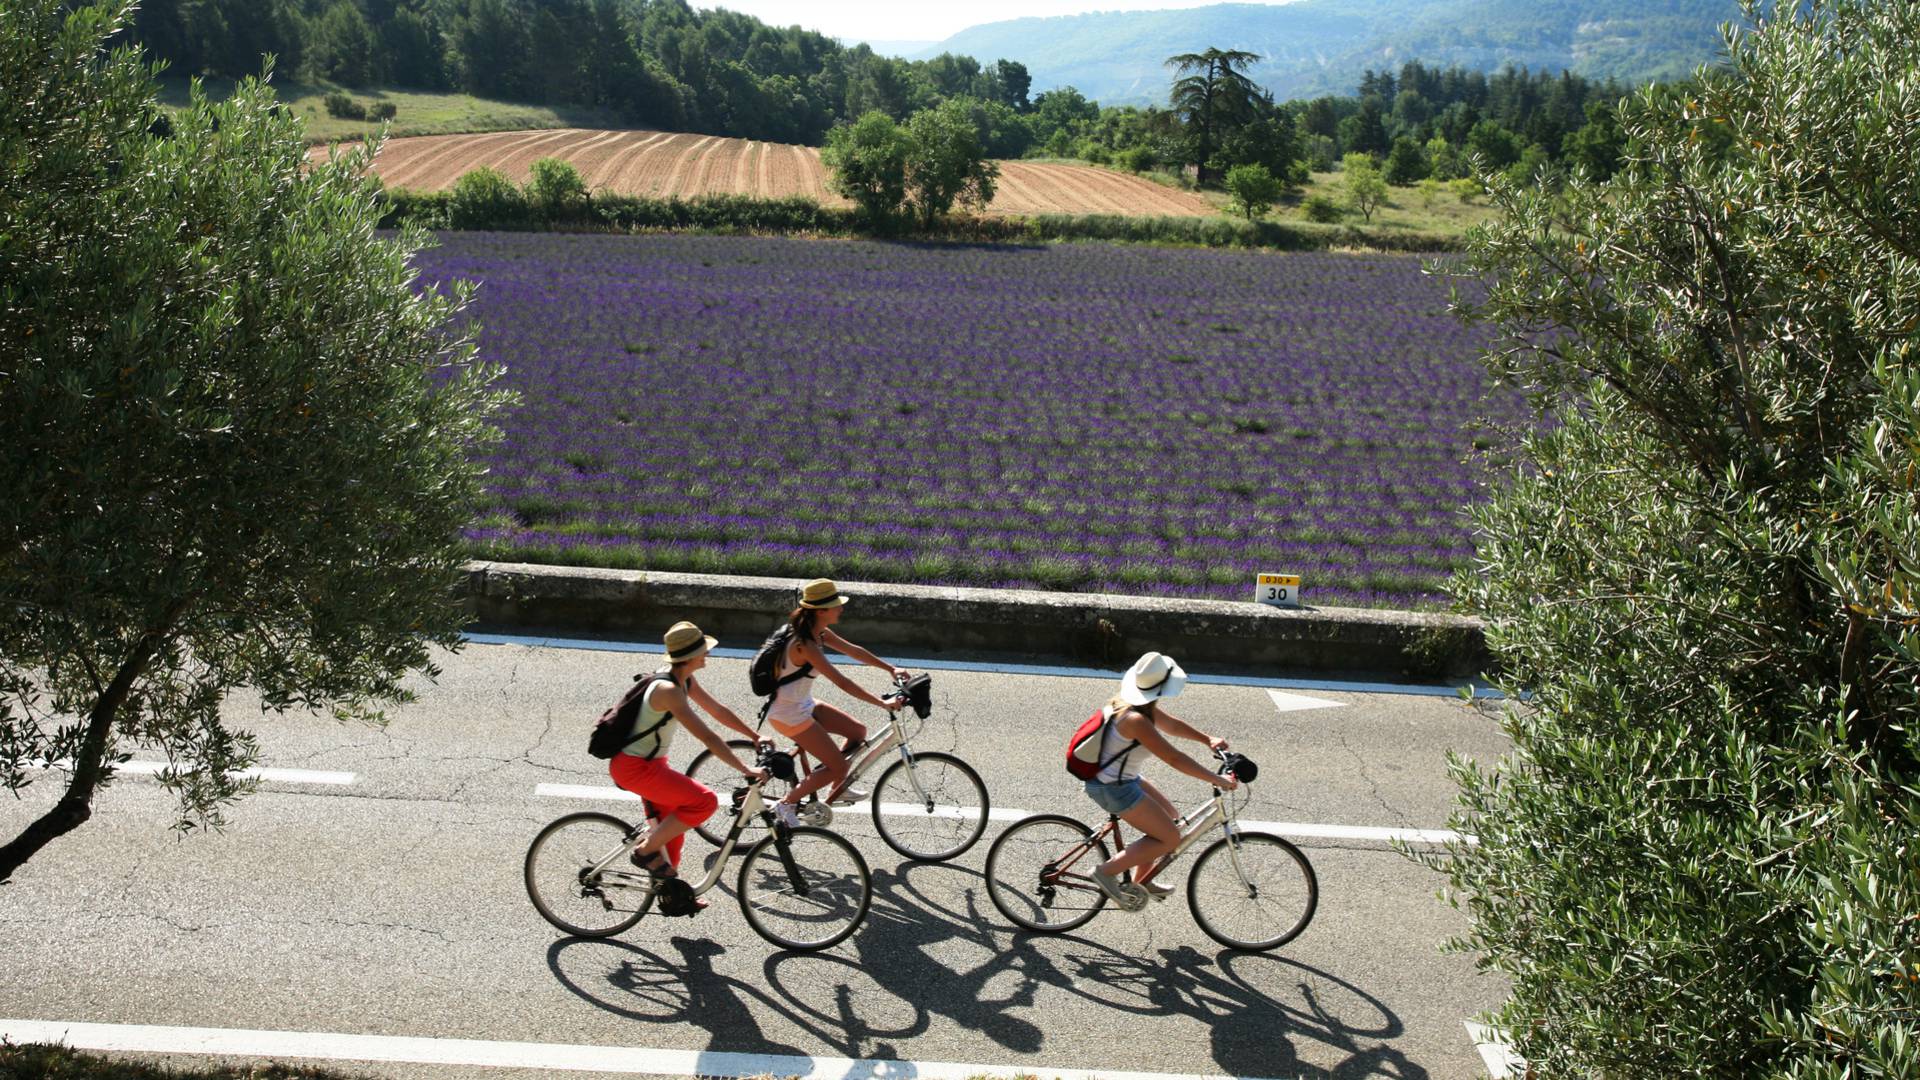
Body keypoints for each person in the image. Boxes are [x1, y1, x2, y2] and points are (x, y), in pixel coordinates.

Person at [612, 621, 764, 910]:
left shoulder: (683, 679)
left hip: (651, 765)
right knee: (704, 802)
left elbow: (718, 711)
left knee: (673, 836)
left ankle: (673, 897)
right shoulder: (668, 689)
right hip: (636, 768)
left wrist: (754, 735)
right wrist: (745, 769)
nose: (707, 655)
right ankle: (644, 852)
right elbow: (707, 735)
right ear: (691, 655)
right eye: (703, 650)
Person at [1082, 651, 1237, 905]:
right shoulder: (1135, 720)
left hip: (1121, 778)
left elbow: (1172, 726)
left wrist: (1207, 739)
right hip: (1112, 787)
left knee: (1172, 820)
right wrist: (1216, 779)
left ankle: (1141, 882)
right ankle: (1104, 872)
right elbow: (1174, 759)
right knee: (1168, 838)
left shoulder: (1135, 705)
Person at [765, 578, 907, 828]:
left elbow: (854, 650)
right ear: (821, 611)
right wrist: (882, 703)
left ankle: (837, 785)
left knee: (857, 732)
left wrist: (891, 668)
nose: (841, 608)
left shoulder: (818, 631)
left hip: (803, 704)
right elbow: (842, 682)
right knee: (838, 766)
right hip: (788, 714)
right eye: (835, 605)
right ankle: (785, 804)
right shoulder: (805, 644)